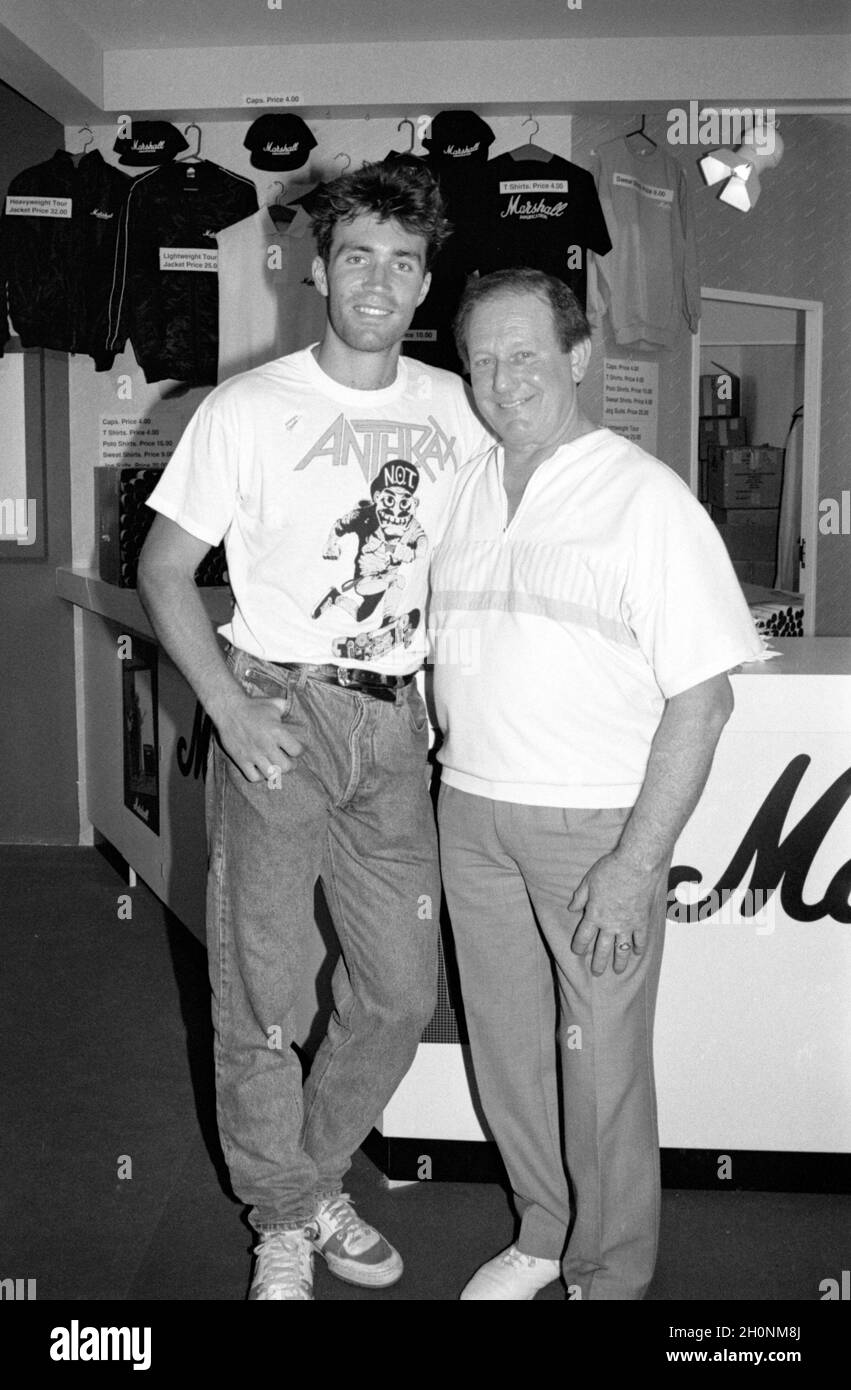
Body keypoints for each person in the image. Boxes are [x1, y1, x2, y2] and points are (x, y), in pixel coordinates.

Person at [137, 160, 490, 1301]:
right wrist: (231, 708)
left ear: (426, 279)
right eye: (357, 256)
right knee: (264, 990)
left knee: (397, 992)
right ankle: (283, 1220)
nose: (378, 280)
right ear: (317, 269)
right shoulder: (247, 405)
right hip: (279, 709)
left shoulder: (455, 408)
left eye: (401, 261)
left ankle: (313, 1174)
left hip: (398, 724)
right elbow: (164, 568)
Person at [430, 267, 766, 1301]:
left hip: (593, 829)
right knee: (510, 1053)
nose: (502, 377)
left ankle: (607, 1275)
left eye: (525, 353)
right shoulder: (469, 486)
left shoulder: (643, 497)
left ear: (576, 357)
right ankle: (541, 1233)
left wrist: (635, 861)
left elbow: (702, 702)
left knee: (600, 1063)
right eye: (481, 358)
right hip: (469, 811)